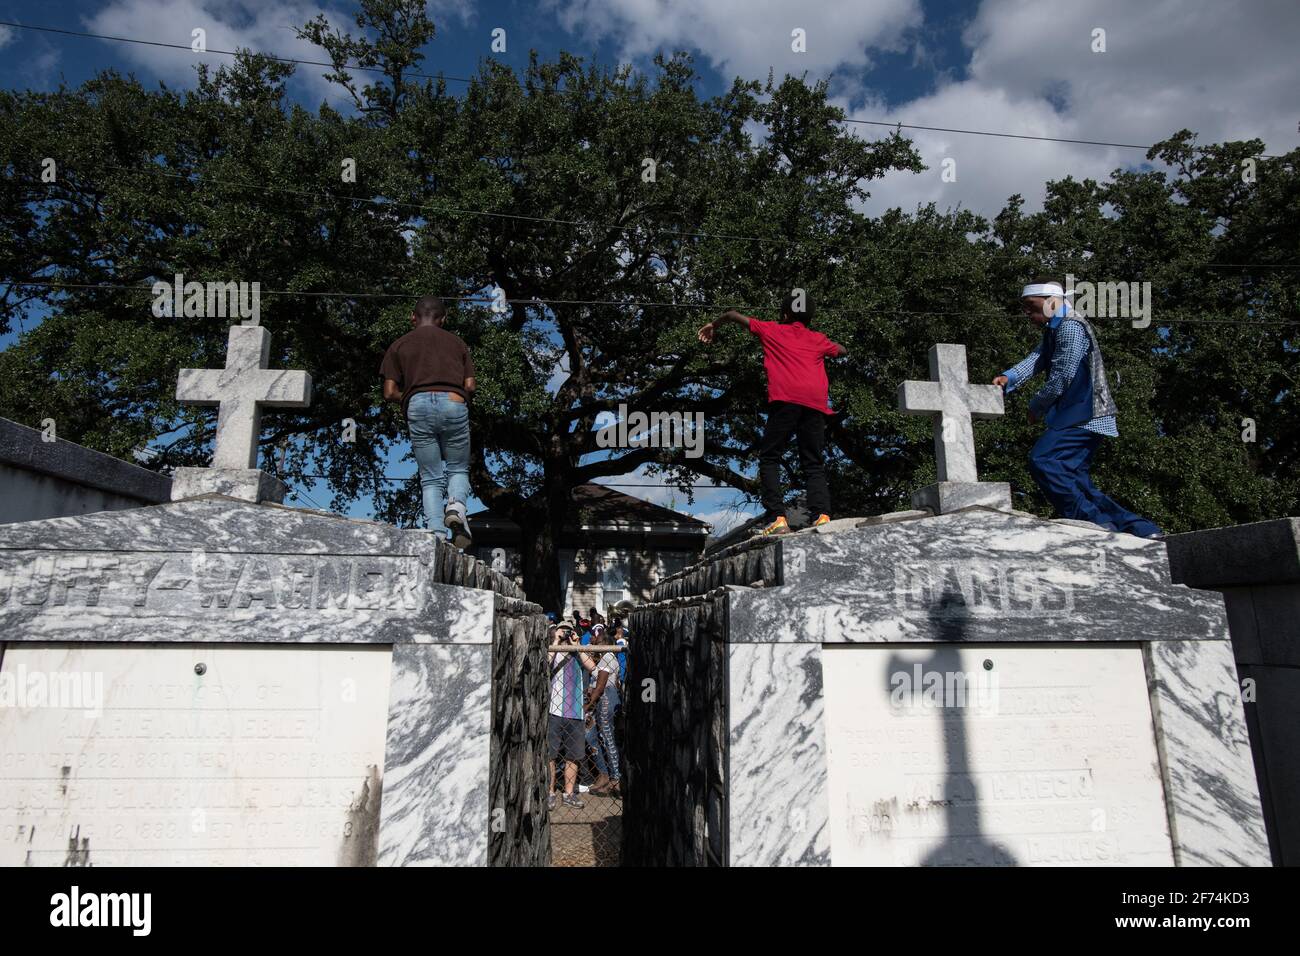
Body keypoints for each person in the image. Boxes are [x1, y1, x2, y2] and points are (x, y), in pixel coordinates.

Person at [993, 278, 1162, 538]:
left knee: (1043, 460)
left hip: (1084, 412)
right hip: (1081, 413)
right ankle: (1139, 528)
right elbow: (1038, 358)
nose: (1026, 312)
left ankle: (1093, 523)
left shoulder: (1071, 327)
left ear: (1051, 301)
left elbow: (1062, 375)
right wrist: (1010, 377)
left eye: (1030, 305)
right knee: (1075, 479)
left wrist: (1036, 406)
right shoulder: (1055, 329)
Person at [698, 292, 845, 535]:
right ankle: (822, 515)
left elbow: (733, 315)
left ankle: (777, 518)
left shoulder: (772, 330)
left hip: (786, 400)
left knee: (770, 457)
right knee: (813, 461)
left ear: (785, 314)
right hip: (815, 404)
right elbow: (842, 350)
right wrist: (827, 345)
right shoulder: (818, 339)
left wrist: (714, 324)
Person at [380, 295, 476, 549]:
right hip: (455, 402)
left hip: (417, 406)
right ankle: (455, 507)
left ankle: (435, 534)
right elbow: (470, 385)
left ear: (413, 317)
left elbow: (389, 392)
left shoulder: (399, 345)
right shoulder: (457, 343)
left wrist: (412, 395)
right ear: (443, 319)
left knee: (431, 477)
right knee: (457, 467)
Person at [548, 622, 596, 810]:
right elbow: (545, 663)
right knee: (550, 755)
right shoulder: (554, 650)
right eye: (563, 629)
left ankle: (569, 793)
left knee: (573, 756)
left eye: (569, 630)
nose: (566, 633)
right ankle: (550, 792)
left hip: (575, 711)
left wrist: (576, 646)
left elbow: (592, 667)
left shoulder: (578, 652)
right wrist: (556, 640)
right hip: (554, 710)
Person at [585, 638, 622, 796]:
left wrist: (588, 705)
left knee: (608, 737)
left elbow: (600, 686)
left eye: (597, 640)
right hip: (598, 701)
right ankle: (603, 774)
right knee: (589, 735)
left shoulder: (608, 656)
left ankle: (616, 779)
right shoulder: (600, 659)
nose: (593, 642)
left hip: (605, 698)